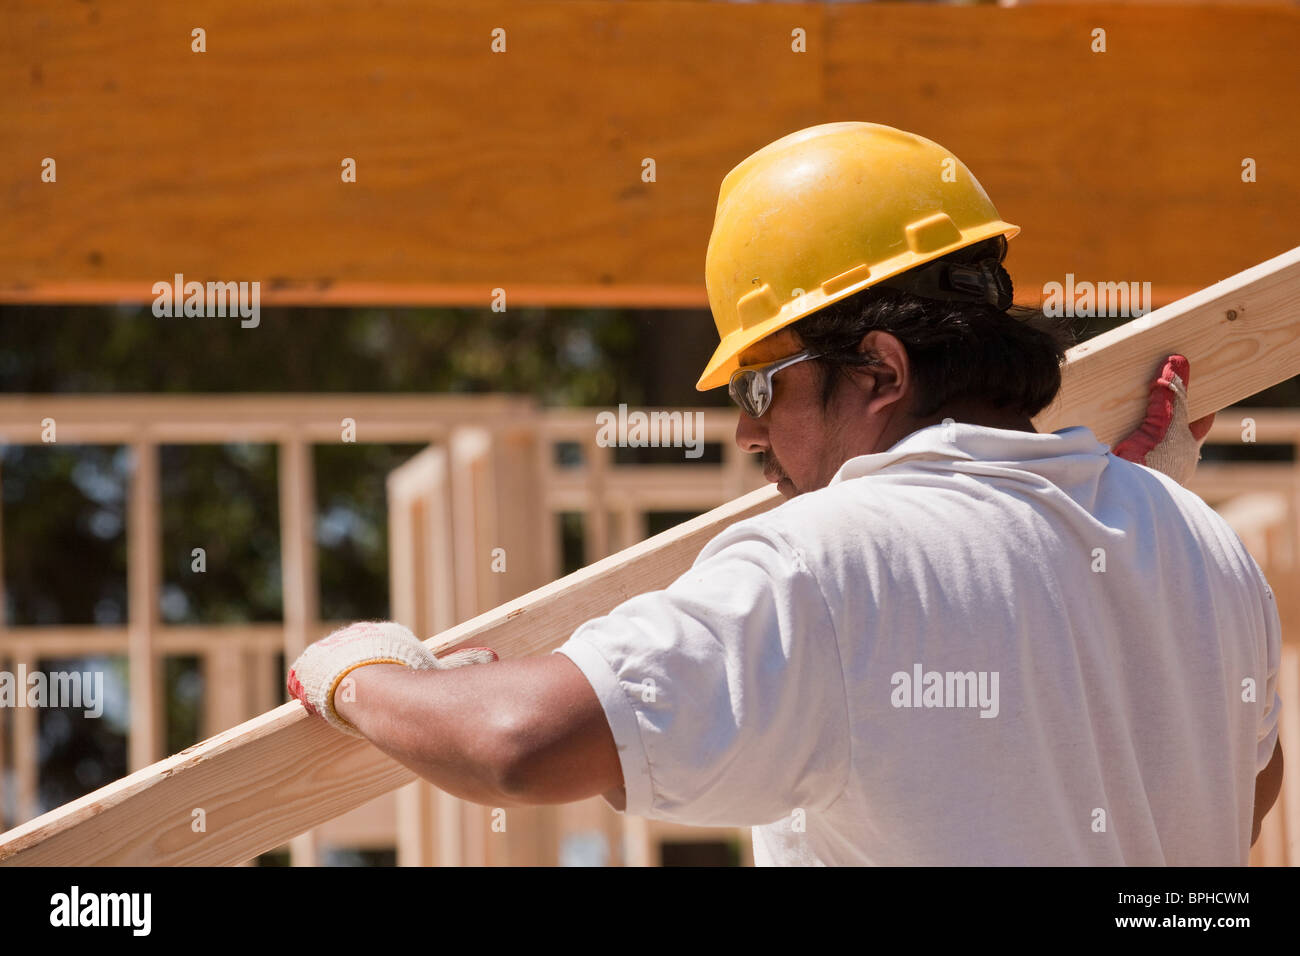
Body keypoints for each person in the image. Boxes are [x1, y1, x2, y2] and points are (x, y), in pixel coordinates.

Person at [288, 122, 1283, 865]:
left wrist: (363, 675)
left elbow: (516, 740)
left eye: (762, 385)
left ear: (882, 371)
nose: (747, 431)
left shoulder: (829, 556)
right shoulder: (1196, 539)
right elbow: (1248, 783)